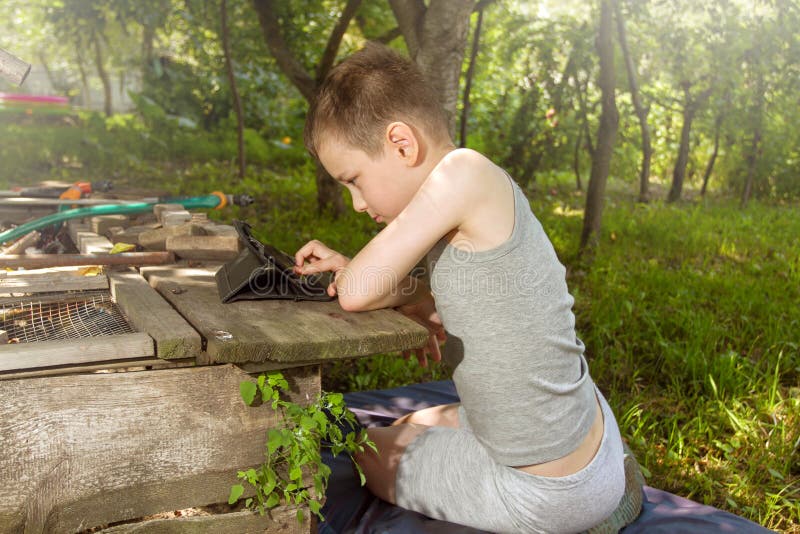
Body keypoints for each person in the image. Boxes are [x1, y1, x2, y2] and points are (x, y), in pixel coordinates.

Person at [293, 43, 627, 534]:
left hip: (546, 494)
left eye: (355, 180)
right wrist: (359, 272)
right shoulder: (468, 198)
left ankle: (595, 506)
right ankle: (604, 483)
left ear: (402, 144)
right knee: (407, 426)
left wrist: (355, 278)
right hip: (587, 435)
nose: (358, 203)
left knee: (365, 452)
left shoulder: (463, 172)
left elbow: (360, 293)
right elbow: (440, 295)